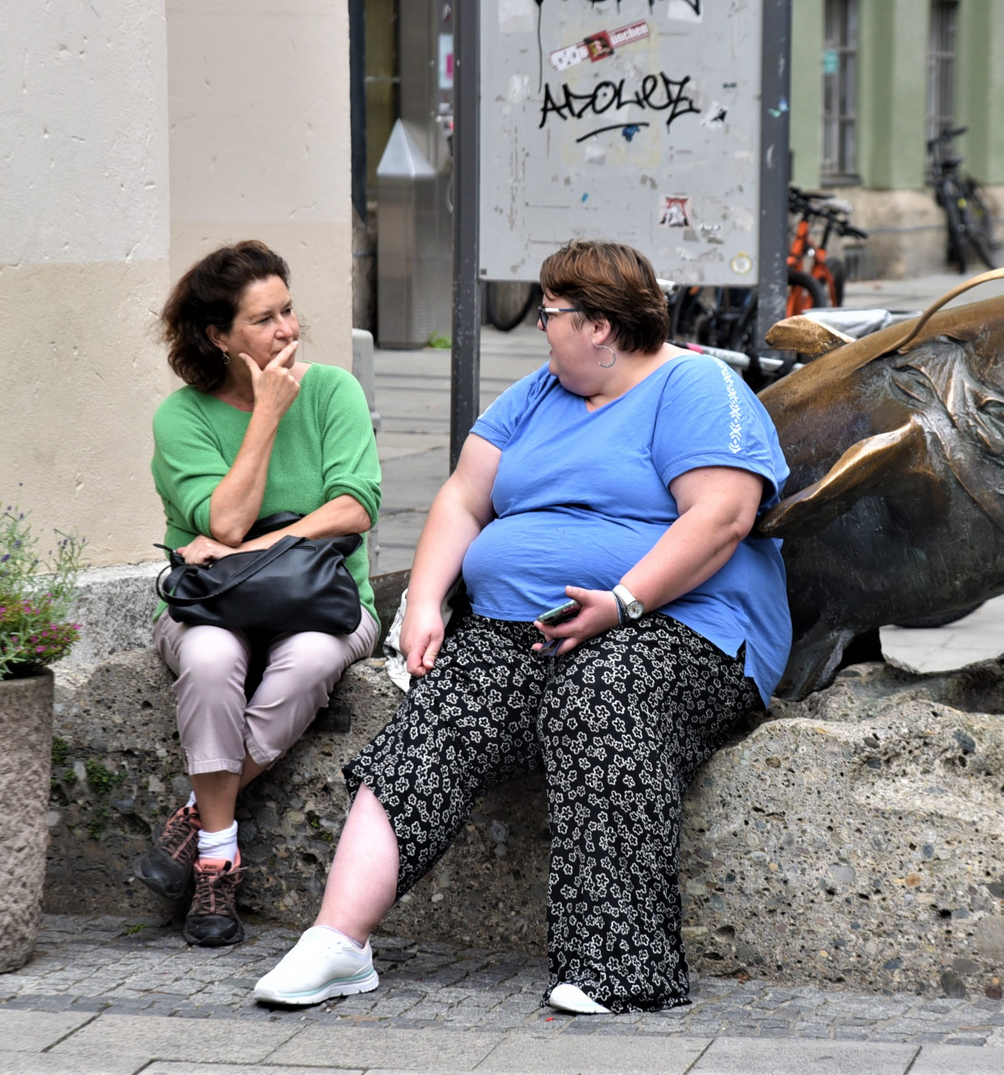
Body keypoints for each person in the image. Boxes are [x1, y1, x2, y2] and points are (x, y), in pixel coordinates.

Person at [252, 240, 791, 1013]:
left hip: (681, 624)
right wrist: (429, 600)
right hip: (526, 626)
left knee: (601, 697)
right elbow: (463, 499)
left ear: (599, 326)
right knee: (436, 724)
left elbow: (722, 514)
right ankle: (338, 942)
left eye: (550, 315)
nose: (540, 329)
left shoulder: (695, 385)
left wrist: (626, 601)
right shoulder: (539, 394)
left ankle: (617, 967)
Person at [135, 241, 382, 946]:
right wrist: (267, 411)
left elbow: (354, 507)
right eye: (263, 320)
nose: (286, 331)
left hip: (328, 600)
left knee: (306, 661)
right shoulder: (181, 418)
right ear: (218, 336)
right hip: (210, 607)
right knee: (210, 661)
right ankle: (219, 861)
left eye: (288, 310)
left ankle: (195, 817)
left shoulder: (333, 390)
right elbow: (226, 516)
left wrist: (244, 552)